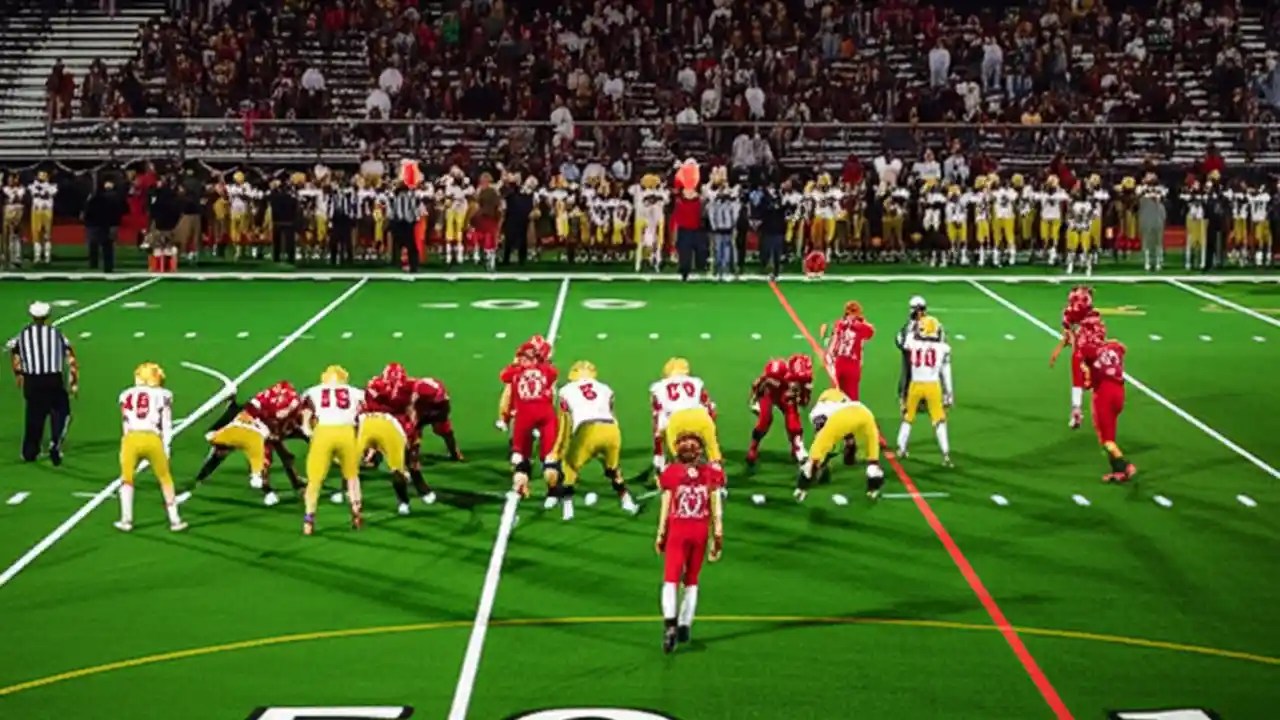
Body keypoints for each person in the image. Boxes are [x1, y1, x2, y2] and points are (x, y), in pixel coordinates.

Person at [655, 432, 724, 653]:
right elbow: (716, 508)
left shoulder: (672, 472)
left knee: (671, 579)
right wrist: (718, 536)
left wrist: (661, 533)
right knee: (691, 579)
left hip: (678, 531)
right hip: (700, 531)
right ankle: (685, 624)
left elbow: (666, 506)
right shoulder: (711, 473)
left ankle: (670, 625)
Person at [550, 360, 638, 520]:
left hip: (587, 430)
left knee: (569, 467)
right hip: (611, 430)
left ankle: (568, 507)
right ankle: (626, 500)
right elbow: (612, 414)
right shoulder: (605, 389)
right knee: (613, 469)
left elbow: (565, 424)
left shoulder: (565, 391)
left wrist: (559, 449)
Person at [196, 381, 305, 505]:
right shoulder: (268, 405)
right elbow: (251, 410)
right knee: (265, 461)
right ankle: (268, 490)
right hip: (261, 430)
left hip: (266, 429)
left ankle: (295, 484)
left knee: (284, 456)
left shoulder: (289, 409)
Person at [115, 362, 186, 532]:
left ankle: (126, 519)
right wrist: (166, 446)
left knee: (127, 478)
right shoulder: (164, 395)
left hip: (131, 438)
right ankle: (175, 519)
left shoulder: (125, 395)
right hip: (152, 438)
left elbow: (125, 422)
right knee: (164, 478)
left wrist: (126, 442)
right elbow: (166, 424)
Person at [8, 301, 77, 464]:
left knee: (34, 416)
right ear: (48, 316)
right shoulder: (57, 334)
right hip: (53, 378)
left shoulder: (23, 335)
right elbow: (70, 355)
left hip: (32, 380)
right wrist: (74, 380)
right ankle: (55, 442)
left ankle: (30, 452)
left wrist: (18, 374)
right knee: (61, 411)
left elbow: (15, 355)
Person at [299, 365, 364, 536]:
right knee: (352, 476)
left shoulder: (313, 391)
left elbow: (306, 413)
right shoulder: (356, 392)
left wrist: (306, 427)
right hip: (346, 432)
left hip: (324, 432)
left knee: (314, 480)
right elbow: (361, 415)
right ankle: (356, 512)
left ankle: (308, 520)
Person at [795, 388, 884, 502]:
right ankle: (874, 487)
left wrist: (803, 485)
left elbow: (820, 446)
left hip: (841, 419)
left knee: (815, 455)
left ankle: (802, 487)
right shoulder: (841, 400)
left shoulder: (817, 413)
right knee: (873, 458)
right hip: (865, 413)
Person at [498, 347, 561, 499]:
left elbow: (503, 375)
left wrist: (516, 365)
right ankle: (553, 493)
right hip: (545, 412)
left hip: (524, 415)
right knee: (549, 459)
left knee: (520, 458)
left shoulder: (515, 372)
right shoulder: (545, 370)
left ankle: (522, 486)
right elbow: (554, 373)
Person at [895, 316, 954, 466]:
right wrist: (949, 392)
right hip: (933, 385)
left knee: (908, 417)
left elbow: (904, 340)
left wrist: (913, 325)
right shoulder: (942, 348)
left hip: (916, 384)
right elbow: (945, 372)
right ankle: (945, 454)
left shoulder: (912, 343)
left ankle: (901, 448)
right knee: (939, 419)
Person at [1078, 331, 1136, 483]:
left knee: (1106, 440)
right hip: (1119, 392)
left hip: (1103, 394)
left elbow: (1087, 382)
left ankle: (1125, 465)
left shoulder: (1087, 352)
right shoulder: (1114, 346)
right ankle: (1117, 472)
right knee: (1111, 434)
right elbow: (1122, 348)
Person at [649, 357, 721, 473]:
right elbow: (711, 408)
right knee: (713, 452)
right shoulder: (696, 382)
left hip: (676, 419)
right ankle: (718, 484)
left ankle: (681, 481)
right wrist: (709, 430)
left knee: (680, 457)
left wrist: (659, 453)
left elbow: (657, 420)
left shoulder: (658, 387)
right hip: (700, 416)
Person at [746, 354, 813, 466]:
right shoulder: (776, 370)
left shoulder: (805, 381)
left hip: (785, 396)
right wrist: (755, 399)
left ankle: (796, 448)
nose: (796, 383)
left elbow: (803, 402)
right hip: (770, 393)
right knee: (765, 420)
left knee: (793, 421)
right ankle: (753, 447)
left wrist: (801, 395)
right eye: (795, 380)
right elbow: (758, 383)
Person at [1048, 285, 1098, 429]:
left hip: (1080, 351)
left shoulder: (1068, 314)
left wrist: (1057, 351)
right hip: (1095, 349)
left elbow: (1068, 337)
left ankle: (1077, 409)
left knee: (1078, 382)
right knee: (1097, 380)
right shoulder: (1094, 316)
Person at [820, 301, 875, 401]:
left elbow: (832, 343)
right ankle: (851, 414)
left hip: (839, 361)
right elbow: (871, 332)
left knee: (836, 393)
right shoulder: (862, 327)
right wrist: (861, 321)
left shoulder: (839, 323)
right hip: (852, 363)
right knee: (852, 395)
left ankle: (835, 412)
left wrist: (826, 356)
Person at [82, 178, 126, 272]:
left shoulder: (94, 199)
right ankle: (108, 266)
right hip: (106, 224)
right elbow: (119, 210)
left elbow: (87, 211)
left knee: (94, 244)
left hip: (96, 224)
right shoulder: (115, 197)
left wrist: (87, 221)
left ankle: (94, 264)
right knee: (107, 246)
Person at [388, 179, 420, 272]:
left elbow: (392, 212)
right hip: (405, 223)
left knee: (402, 244)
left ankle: (401, 263)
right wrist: (414, 220)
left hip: (402, 223)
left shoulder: (397, 198)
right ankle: (411, 265)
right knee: (409, 245)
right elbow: (414, 211)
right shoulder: (402, 198)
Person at [503, 175, 536, 266]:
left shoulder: (529, 193)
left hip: (522, 217)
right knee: (509, 238)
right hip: (512, 216)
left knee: (522, 239)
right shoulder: (510, 191)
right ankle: (506, 259)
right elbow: (506, 196)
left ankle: (522, 259)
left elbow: (531, 202)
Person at [268, 177, 299, 264]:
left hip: (279, 220)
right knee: (289, 242)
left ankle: (277, 257)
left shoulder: (275, 196)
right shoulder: (292, 196)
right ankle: (290, 258)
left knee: (278, 241)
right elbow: (295, 207)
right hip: (287, 221)